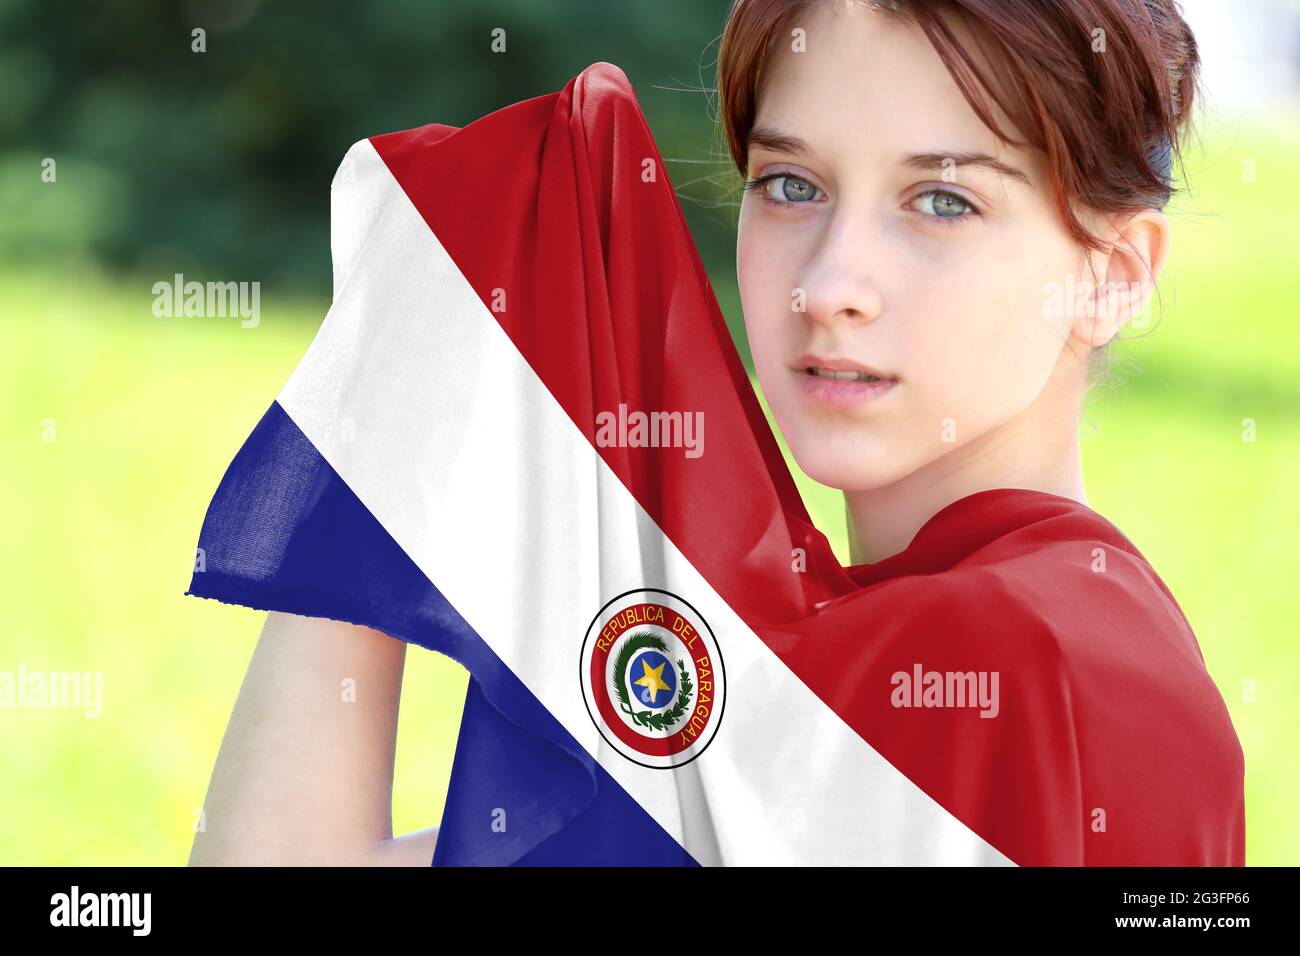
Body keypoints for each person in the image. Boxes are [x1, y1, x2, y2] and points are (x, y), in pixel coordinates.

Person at [188, 0, 1244, 867]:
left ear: (1109, 275)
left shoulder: (1011, 659)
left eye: (940, 201)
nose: (830, 285)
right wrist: (410, 370)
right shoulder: (921, 652)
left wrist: (397, 377)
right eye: (791, 186)